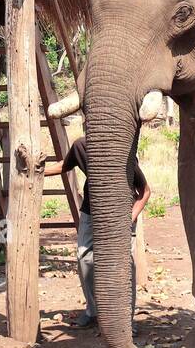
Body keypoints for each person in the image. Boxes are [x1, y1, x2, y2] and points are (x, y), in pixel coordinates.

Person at [45, 133, 152, 329]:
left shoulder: (121, 149)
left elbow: (144, 191)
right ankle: (93, 311)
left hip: (121, 215)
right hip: (91, 212)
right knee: (84, 259)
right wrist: (37, 171)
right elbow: (64, 165)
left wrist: (131, 217)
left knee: (124, 264)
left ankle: (125, 320)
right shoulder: (80, 146)